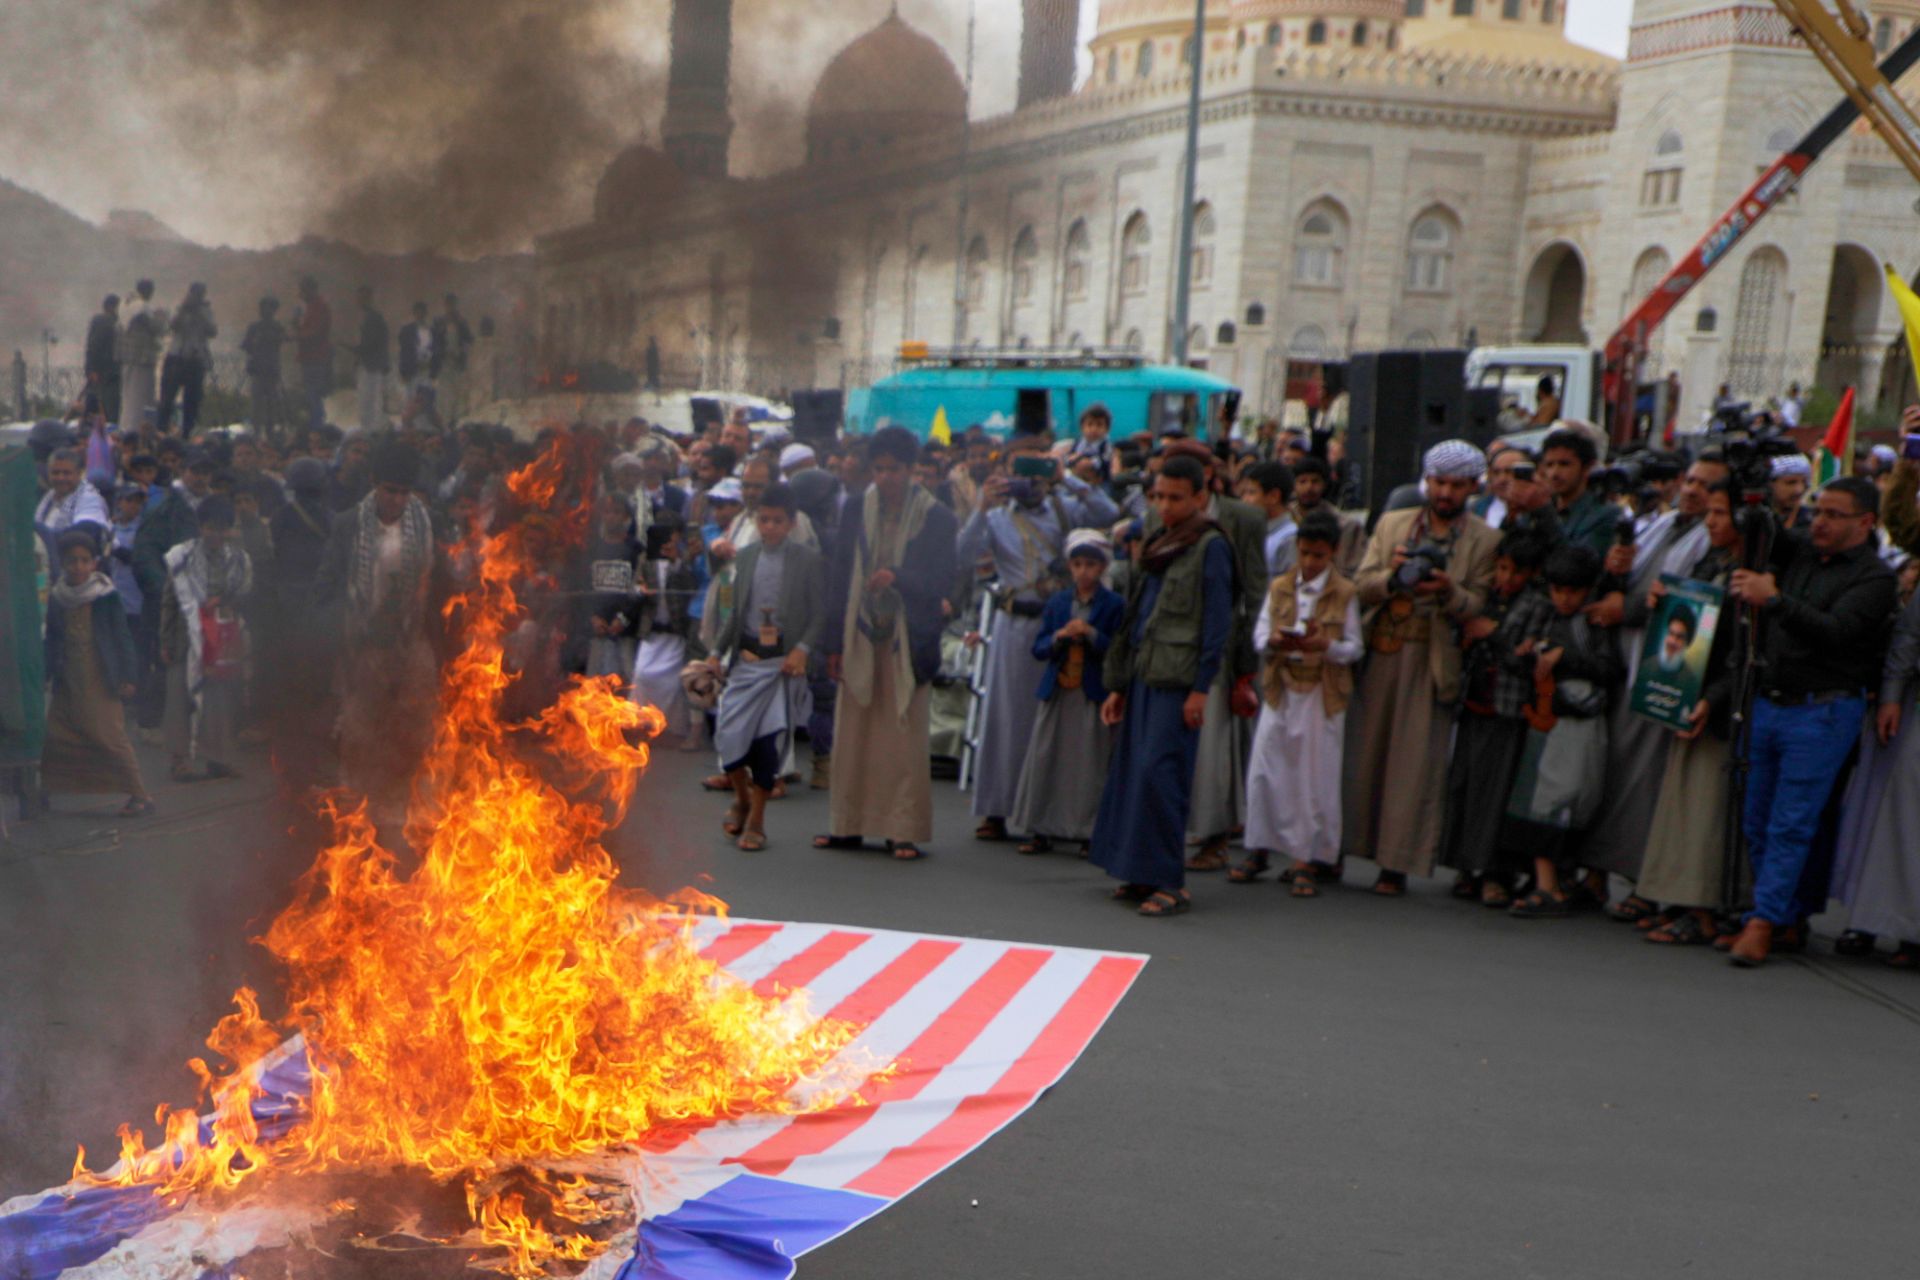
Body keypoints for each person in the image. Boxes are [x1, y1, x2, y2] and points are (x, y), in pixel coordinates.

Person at [1723, 476, 1899, 965]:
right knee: (1757, 817)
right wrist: (1749, 490)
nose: (1819, 522)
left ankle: (1762, 921)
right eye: (1817, 511)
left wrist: (1775, 600)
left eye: (1833, 515)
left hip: (1823, 710)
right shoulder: (1802, 551)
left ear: (1865, 522)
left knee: (1792, 822)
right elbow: (1759, 530)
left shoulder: (1875, 578)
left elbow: (1837, 631)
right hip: (1771, 701)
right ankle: (1782, 915)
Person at [1346, 440, 1499, 895]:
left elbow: (1479, 604)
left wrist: (1448, 590)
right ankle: (1344, 849)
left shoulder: (1485, 540)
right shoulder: (1393, 524)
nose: (1446, 493)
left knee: (1414, 768)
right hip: (1382, 652)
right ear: (1427, 482)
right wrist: (1393, 578)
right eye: (1439, 482)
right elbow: (1360, 584)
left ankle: (1395, 865)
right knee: (1363, 758)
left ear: (1473, 487)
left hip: (1432, 661)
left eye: (1456, 485)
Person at [1577, 452, 1729, 910]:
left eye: (1706, 486)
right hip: (1627, 662)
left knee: (1647, 782)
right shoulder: (1660, 524)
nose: (1694, 491)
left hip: (1668, 671)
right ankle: (1595, 874)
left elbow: (1691, 602)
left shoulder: (1712, 541)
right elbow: (1631, 587)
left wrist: (1628, 608)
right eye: (1691, 481)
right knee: (1611, 772)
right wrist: (1616, 571)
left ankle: (1643, 883)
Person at [1088, 455, 1234, 917]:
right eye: (1158, 497)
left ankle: (1170, 882)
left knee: (1161, 774)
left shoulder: (1211, 546)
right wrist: (1119, 685)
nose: (1166, 506)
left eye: (1176, 498)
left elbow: (1217, 624)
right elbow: (1137, 616)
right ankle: (1138, 872)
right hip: (1144, 673)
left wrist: (1201, 688)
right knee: (1135, 773)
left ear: (1200, 497)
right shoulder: (1158, 540)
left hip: (1178, 680)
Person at [959, 444, 1117, 842]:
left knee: (1053, 723)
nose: (1028, 480)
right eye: (1020, 471)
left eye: (1036, 470)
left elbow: (1108, 514)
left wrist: (1068, 478)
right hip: (1014, 624)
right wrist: (980, 506)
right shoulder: (995, 518)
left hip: (1063, 623)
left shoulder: (1066, 510)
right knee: (1006, 719)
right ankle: (996, 809)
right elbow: (962, 553)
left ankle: (1046, 816)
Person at [815, 425, 959, 861]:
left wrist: (898, 577)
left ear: (912, 470)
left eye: (894, 470)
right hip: (858, 634)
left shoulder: (937, 517)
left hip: (908, 637)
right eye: (878, 469)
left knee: (902, 737)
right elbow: (841, 575)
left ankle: (902, 830)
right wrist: (832, 644)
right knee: (854, 733)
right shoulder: (857, 508)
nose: (885, 478)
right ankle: (848, 825)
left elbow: (942, 582)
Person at [1232, 510, 1362, 895]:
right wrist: (1275, 640)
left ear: (1333, 552)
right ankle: (1258, 848)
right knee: (1266, 770)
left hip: (1321, 693)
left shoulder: (1345, 593)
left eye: (1318, 555)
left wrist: (1326, 646)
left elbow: (1354, 647)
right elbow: (1260, 635)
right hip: (1281, 687)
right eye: (1304, 553)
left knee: (1313, 778)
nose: (1310, 562)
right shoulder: (1280, 587)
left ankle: (1307, 858)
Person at [1637, 482, 1743, 946]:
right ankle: (1679, 902)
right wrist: (1665, 605)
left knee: (1706, 810)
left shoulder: (1752, 571)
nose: (1712, 521)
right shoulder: (1711, 561)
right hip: (1687, 691)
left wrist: (1713, 698)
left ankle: (1702, 911)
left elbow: (1742, 651)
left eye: (1722, 513)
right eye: (1710, 513)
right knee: (1682, 806)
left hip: (1721, 706)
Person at [1155, 438, 1266, 872]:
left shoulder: (1243, 519)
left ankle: (1216, 837)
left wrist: (1247, 663)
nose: (1165, 501)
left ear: (1205, 481)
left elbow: (1253, 590)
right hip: (1167, 653)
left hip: (1220, 650)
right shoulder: (1156, 514)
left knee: (1214, 748)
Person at [312, 440, 439, 818]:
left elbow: (438, 584)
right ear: (374, 484)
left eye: (404, 492)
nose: (397, 500)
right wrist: (347, 628)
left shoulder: (426, 524)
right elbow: (326, 585)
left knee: (416, 723)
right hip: (363, 641)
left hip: (411, 639)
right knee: (361, 726)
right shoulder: (349, 524)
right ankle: (357, 804)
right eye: (390, 490)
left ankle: (412, 802)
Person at [1501, 544, 1624, 918]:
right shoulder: (1547, 618)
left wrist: (1565, 657)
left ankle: (1557, 883)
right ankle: (1547, 883)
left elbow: (1610, 670)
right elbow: (1518, 663)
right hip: (1547, 720)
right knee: (1541, 802)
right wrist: (1530, 656)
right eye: (1558, 590)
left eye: (1573, 591)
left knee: (1566, 800)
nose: (1564, 599)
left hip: (1579, 724)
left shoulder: (1593, 624)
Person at [1438, 526, 1552, 905]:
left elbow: (1527, 662)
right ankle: (1465, 867)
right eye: (1502, 568)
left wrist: (1494, 636)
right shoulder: (1487, 597)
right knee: (1465, 788)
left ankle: (1495, 873)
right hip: (1474, 704)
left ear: (1532, 573)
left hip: (1507, 710)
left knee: (1496, 795)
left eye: (1516, 572)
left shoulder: (1537, 606)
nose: (1507, 578)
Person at [713, 483, 824, 852]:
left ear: (791, 523)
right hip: (745, 660)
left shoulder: (807, 560)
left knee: (766, 742)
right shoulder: (745, 557)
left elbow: (819, 614)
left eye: (777, 521)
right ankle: (741, 798)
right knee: (729, 736)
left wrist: (802, 650)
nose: (770, 527)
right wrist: (715, 653)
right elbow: (735, 613)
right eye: (764, 520)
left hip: (781, 664)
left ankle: (757, 819)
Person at [1008, 529, 1124, 857]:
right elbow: (1039, 647)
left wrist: (1091, 634)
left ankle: (1089, 831)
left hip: (1091, 691)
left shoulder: (1114, 604)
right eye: (1077, 564)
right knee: (1046, 759)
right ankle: (1040, 828)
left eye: (1090, 565)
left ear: (1102, 568)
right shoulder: (1059, 602)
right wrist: (1059, 637)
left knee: (1090, 764)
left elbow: (1118, 648)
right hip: (1059, 689)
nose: (1083, 571)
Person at [42, 530, 152, 816]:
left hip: (100, 676)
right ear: (62, 563)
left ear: (94, 563)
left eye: (84, 560)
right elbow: (52, 638)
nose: (78, 566)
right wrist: (45, 673)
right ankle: (43, 792)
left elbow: (121, 636)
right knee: (58, 735)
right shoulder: (58, 597)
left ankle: (140, 796)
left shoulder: (105, 595)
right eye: (71, 560)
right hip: (68, 678)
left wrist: (128, 676)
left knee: (108, 735)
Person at [161, 495, 251, 783]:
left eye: (222, 528)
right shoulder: (181, 557)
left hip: (221, 640)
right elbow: (169, 601)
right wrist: (165, 641)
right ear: (200, 527)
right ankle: (180, 761)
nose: (216, 534)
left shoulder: (239, 559)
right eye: (211, 527)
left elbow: (245, 595)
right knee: (179, 697)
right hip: (185, 637)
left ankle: (218, 759)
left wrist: (221, 601)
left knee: (220, 701)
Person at [1537, 427, 1617, 556]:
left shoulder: (1605, 514)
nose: (1554, 473)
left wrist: (1546, 516)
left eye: (1564, 464)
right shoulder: (1538, 509)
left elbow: (1577, 561)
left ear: (1587, 468)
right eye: (1549, 465)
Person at [157, 283, 217, 436]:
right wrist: (184, 309)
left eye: (200, 295)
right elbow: (172, 326)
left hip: (196, 359)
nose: (196, 297)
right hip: (176, 357)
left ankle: (187, 433)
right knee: (167, 399)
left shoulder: (206, 310)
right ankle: (161, 431)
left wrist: (199, 314)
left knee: (192, 401)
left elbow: (212, 331)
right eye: (194, 294)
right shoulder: (179, 307)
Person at [1290, 454, 1364, 576]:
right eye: (1302, 481)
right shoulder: (1285, 517)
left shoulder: (1344, 524)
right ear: (1294, 486)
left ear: (1324, 485)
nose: (1309, 487)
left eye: (1315, 481)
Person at [118, 279, 164, 434]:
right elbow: (156, 328)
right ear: (147, 290)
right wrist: (161, 317)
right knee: (139, 398)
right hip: (141, 359)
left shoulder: (126, 304)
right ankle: (135, 429)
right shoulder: (141, 307)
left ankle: (128, 427)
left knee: (129, 396)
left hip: (129, 357)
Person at [34, 448, 109, 532]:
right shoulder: (50, 496)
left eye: (66, 473)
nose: (60, 478)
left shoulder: (89, 499)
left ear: (79, 473)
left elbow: (85, 532)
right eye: (55, 473)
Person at [240, 297, 286, 433]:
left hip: (272, 368)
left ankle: (270, 430)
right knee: (257, 402)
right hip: (258, 369)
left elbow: (282, 340)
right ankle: (256, 430)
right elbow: (245, 345)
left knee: (272, 402)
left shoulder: (277, 327)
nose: (266, 311)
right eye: (264, 308)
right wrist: (255, 342)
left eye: (269, 308)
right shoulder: (254, 327)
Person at [294, 276, 333, 431]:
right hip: (308, 357)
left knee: (314, 394)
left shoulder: (320, 307)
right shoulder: (308, 307)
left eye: (303, 290)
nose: (301, 294)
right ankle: (315, 424)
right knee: (310, 394)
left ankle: (317, 427)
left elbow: (316, 332)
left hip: (316, 357)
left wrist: (297, 336)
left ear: (311, 290)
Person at [432, 294, 475, 425]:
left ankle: (453, 419)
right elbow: (434, 341)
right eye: (448, 304)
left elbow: (469, 340)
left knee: (456, 391)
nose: (450, 307)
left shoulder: (461, 322)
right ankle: (443, 419)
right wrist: (441, 352)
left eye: (453, 304)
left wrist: (461, 351)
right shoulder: (439, 322)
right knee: (444, 392)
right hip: (443, 362)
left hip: (457, 362)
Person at [355, 286, 391, 430]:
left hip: (372, 365)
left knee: (369, 400)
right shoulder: (369, 317)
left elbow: (371, 343)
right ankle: (370, 428)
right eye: (359, 297)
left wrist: (353, 348)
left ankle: (371, 430)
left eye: (363, 298)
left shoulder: (373, 318)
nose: (360, 301)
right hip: (369, 364)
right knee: (367, 399)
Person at [397, 301, 437, 427]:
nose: (420, 314)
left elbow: (435, 350)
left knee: (425, 398)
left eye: (422, 312)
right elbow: (404, 351)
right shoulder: (407, 330)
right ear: (414, 313)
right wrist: (403, 371)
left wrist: (433, 369)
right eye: (418, 312)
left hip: (426, 370)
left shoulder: (431, 330)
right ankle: (410, 426)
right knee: (411, 397)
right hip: (412, 371)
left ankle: (424, 426)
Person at [86, 295, 122, 427]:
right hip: (107, 373)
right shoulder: (106, 321)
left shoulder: (106, 321)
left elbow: (91, 347)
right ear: (112, 307)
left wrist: (90, 369)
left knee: (104, 408)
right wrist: (92, 370)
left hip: (105, 372)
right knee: (110, 410)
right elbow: (94, 346)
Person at [1770, 453, 1813, 530]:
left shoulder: (1812, 520)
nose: (1799, 490)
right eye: (1791, 482)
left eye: (1804, 482)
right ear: (1770, 484)